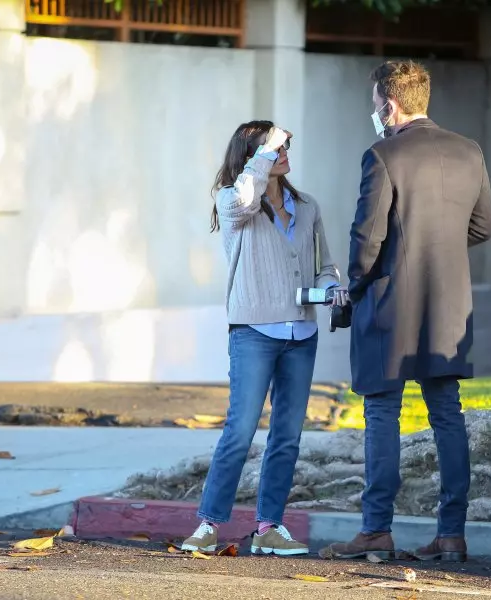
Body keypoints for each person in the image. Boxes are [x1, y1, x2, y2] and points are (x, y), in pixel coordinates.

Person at [323, 61, 491, 562]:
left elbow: (365, 240)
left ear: (389, 104)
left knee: (382, 415)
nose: (374, 112)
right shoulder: (469, 151)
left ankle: (376, 530)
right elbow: (482, 227)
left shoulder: (382, 154)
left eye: (375, 104)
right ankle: (451, 533)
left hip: (389, 306)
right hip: (448, 307)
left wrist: (351, 290)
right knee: (447, 416)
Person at [183, 121, 348, 556]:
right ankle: (208, 524)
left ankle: (269, 527)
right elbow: (240, 202)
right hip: (253, 331)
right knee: (239, 431)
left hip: (301, 333)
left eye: (285, 145)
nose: (283, 151)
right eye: (274, 148)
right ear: (251, 157)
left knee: (287, 436)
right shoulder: (235, 200)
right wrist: (264, 153)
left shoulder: (307, 205)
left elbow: (325, 263)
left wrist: (330, 287)